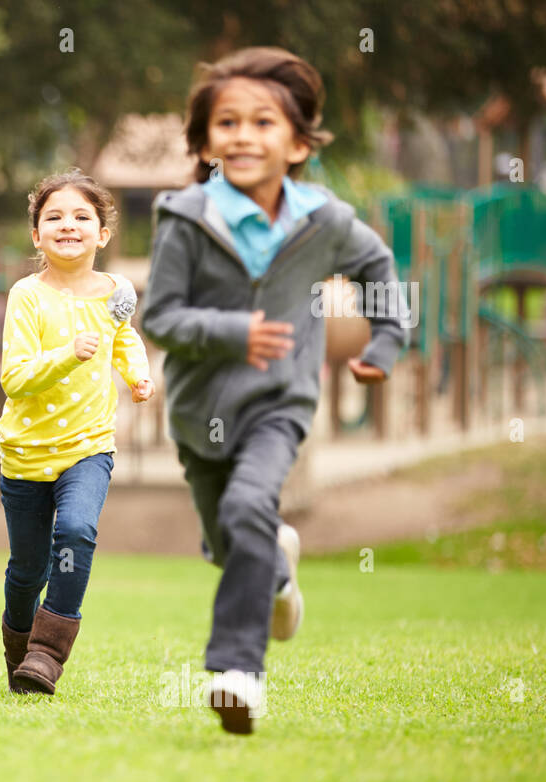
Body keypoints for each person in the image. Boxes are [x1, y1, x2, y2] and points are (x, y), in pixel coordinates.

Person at [142, 47, 410, 733]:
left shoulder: (324, 222)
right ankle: (279, 578)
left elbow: (380, 266)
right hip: (200, 411)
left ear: (297, 143)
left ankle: (238, 673)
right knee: (226, 539)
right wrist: (233, 332)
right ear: (205, 142)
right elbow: (162, 317)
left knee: (248, 506)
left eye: (263, 123)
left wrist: (385, 341)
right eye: (227, 122)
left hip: (279, 404)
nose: (243, 135)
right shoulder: (185, 218)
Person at [0, 171, 155, 695]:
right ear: (37, 235)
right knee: (27, 570)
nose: (69, 225)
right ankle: (19, 646)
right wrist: (68, 355)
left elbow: (124, 339)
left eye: (83, 216)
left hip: (88, 446)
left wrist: (138, 374)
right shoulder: (26, 296)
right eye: (55, 217)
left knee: (77, 533)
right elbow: (14, 379)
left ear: (103, 234)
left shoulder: (117, 291)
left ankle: (46, 654)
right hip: (25, 454)